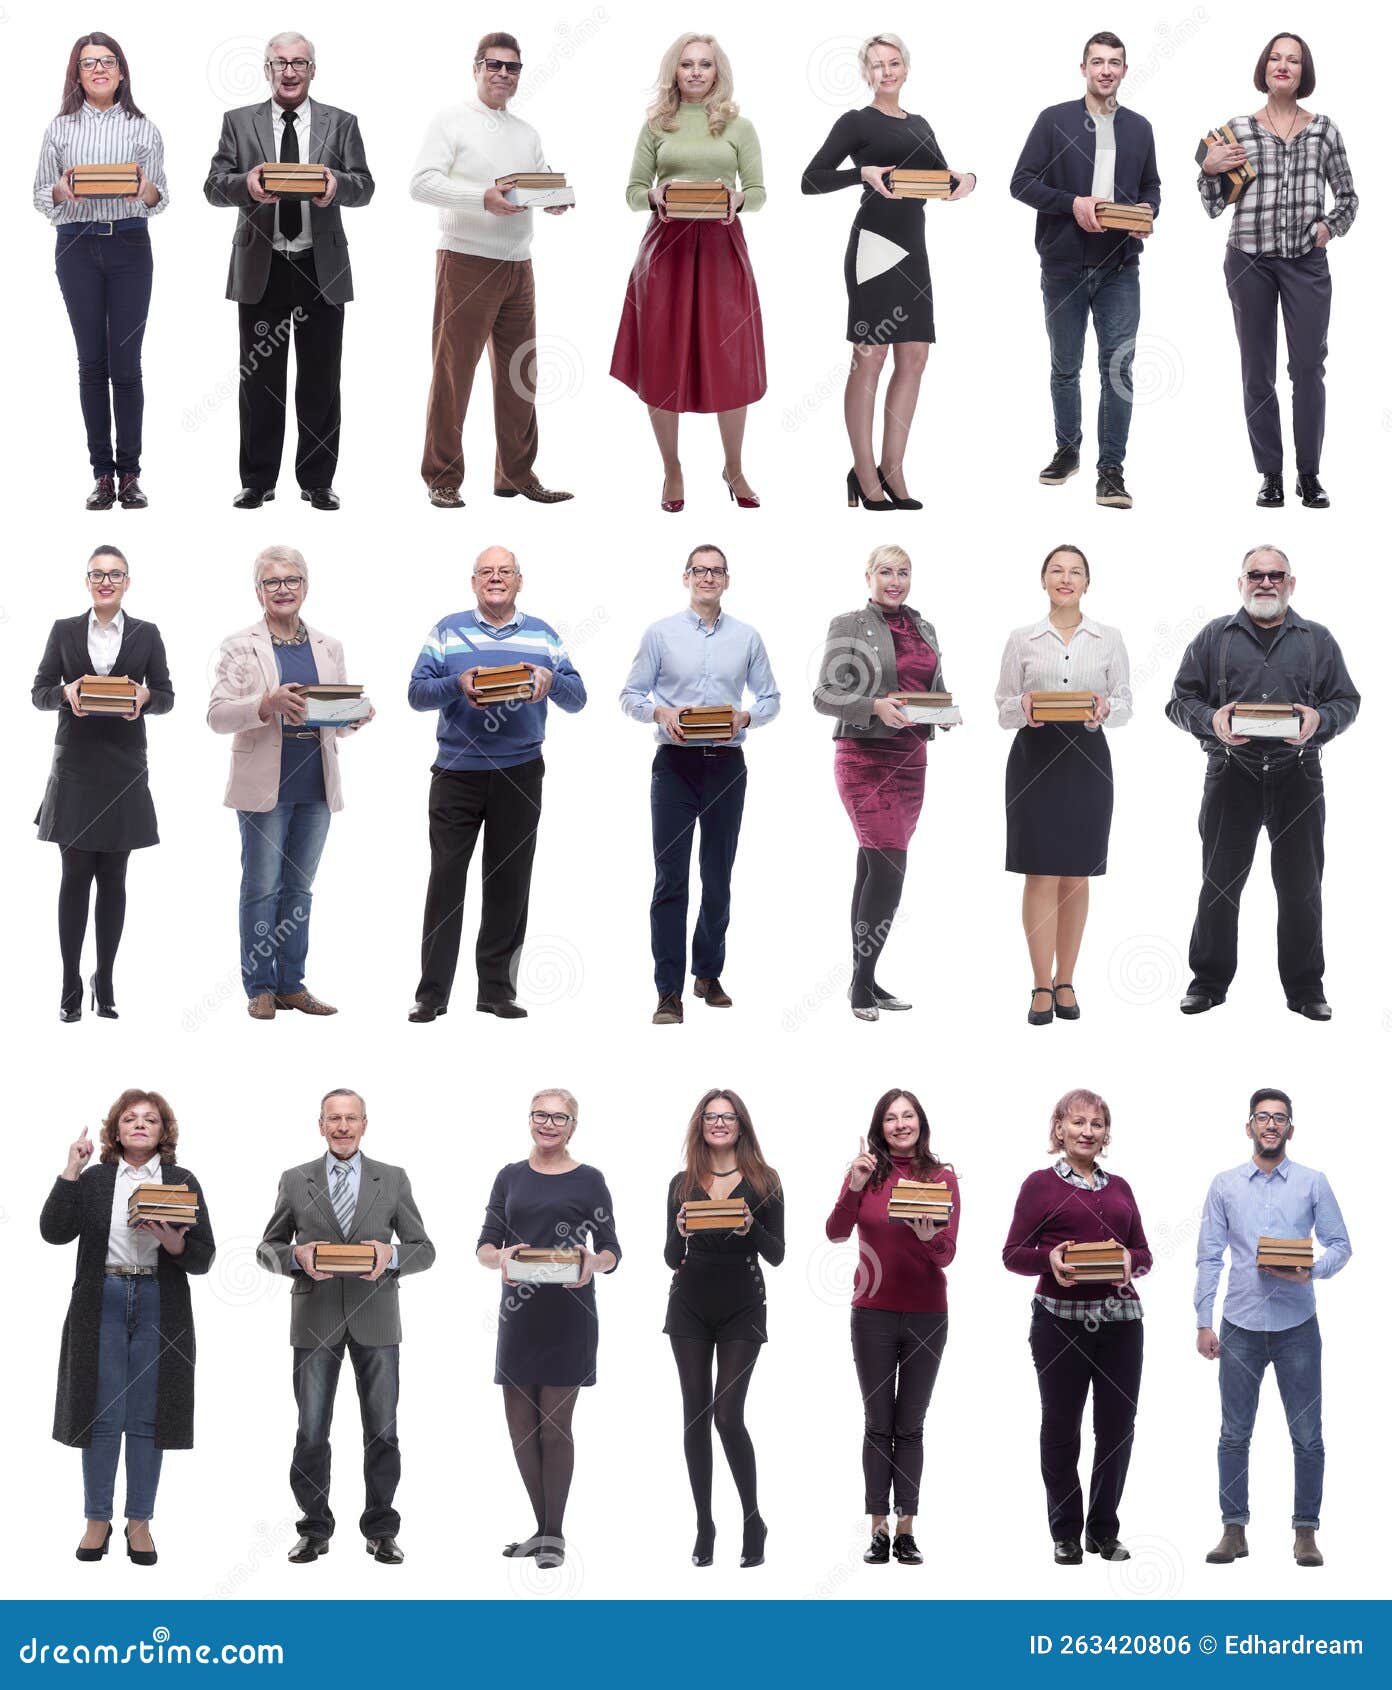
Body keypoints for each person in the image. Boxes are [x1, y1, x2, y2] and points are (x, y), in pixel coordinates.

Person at [1166, 546, 1359, 1019]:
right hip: (1232, 774)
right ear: (1241, 583)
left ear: (1292, 583)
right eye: (1256, 574)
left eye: (1276, 575)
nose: (1266, 582)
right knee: (1218, 886)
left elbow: (1347, 701)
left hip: (1299, 777)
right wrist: (1213, 720)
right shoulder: (1214, 636)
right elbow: (1178, 700)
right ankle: (1208, 983)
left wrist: (1321, 718)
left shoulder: (1318, 639)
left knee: (1301, 888)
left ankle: (1306, 990)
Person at [406, 547, 586, 1023]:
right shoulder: (446, 630)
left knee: (509, 884)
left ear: (519, 582)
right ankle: (432, 994)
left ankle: (496, 991)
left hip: (521, 772)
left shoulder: (543, 634)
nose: (495, 578)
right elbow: (416, 693)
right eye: (486, 571)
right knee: (446, 882)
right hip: (456, 773)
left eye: (504, 571)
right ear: (473, 583)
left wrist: (551, 678)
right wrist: (456, 682)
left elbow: (578, 698)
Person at [258, 1089, 436, 1566]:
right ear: (320, 1125)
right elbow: (266, 1248)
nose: (342, 1127)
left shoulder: (392, 1179)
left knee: (383, 1432)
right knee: (311, 1431)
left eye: (350, 1119)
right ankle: (314, 1528)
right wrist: (293, 1257)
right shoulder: (296, 1180)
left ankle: (381, 1528)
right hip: (314, 1320)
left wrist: (392, 1255)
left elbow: (424, 1248)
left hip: (377, 1320)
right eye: (333, 1119)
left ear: (364, 1124)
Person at [40, 1091, 215, 1566]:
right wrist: (71, 1169)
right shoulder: (96, 1179)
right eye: (130, 1119)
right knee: (101, 1413)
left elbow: (204, 1258)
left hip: (161, 1300)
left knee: (146, 1415)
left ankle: (140, 1522)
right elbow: (53, 1231)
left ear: (164, 1131)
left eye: (151, 1119)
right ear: (115, 1131)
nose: (140, 1124)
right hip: (104, 1301)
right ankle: (97, 1520)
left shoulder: (181, 1180)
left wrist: (175, 1245)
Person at [801, 35, 976, 509]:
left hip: (913, 249)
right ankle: (863, 472)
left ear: (906, 67)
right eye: (877, 65)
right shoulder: (857, 122)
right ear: (866, 73)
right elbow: (810, 180)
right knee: (870, 357)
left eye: (894, 63)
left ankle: (893, 471)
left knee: (915, 358)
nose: (887, 71)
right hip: (875, 246)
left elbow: (942, 177)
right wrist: (862, 173)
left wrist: (968, 181)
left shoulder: (920, 124)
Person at [204, 32, 375, 511]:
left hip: (321, 268)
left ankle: (317, 481)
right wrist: (248, 184)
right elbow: (214, 187)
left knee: (321, 379)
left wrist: (337, 185)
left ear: (313, 70)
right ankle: (257, 481)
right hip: (262, 266)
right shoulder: (238, 123)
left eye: (299, 62)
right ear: (267, 69)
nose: (290, 71)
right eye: (280, 62)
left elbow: (365, 186)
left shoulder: (341, 123)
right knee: (259, 382)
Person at [207, 545, 375, 1020]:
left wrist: (354, 717)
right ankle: (259, 986)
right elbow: (217, 715)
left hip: (315, 787)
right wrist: (267, 703)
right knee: (262, 888)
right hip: (265, 787)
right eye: (272, 582)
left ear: (305, 586)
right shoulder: (241, 646)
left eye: (291, 581)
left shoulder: (328, 646)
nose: (283, 590)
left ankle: (291, 984)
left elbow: (334, 720)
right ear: (258, 591)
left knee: (299, 890)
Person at [411, 31, 572, 508]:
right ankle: (442, 477)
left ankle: (516, 476)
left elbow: (537, 181)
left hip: (519, 266)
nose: (503, 73)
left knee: (521, 374)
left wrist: (554, 199)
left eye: (513, 67)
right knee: (454, 375)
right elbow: (421, 184)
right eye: (494, 65)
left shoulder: (527, 132)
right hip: (465, 260)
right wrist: (479, 196)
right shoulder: (451, 120)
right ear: (476, 67)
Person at [620, 546, 780, 1023]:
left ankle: (707, 973)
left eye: (717, 571)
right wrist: (659, 712)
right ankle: (668, 989)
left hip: (726, 767)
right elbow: (629, 695)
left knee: (717, 875)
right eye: (700, 570)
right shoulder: (660, 634)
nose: (708, 577)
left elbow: (771, 697)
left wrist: (747, 714)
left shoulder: (747, 636)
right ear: (685, 576)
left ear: (727, 580)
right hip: (675, 767)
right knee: (670, 878)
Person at [1198, 34, 1356, 510]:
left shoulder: (1324, 130)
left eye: (1293, 59)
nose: (1282, 65)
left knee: (1308, 368)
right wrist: (1208, 168)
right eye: (1275, 58)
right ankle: (1271, 475)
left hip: (1305, 263)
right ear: (1264, 69)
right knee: (1257, 371)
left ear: (1303, 72)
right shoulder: (1236, 131)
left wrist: (1327, 228)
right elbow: (1211, 206)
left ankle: (1309, 474)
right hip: (1248, 261)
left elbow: (1348, 198)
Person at [1194, 1089, 1351, 1567]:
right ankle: (1233, 1529)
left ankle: (1306, 1532)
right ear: (1249, 1127)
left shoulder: (1313, 1183)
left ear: (1290, 1129)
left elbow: (1341, 1245)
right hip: (1239, 1324)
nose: (1270, 1124)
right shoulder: (1224, 1185)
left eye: (1279, 1118)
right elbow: (1208, 1256)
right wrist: (1203, 1320)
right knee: (1233, 1433)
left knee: (1307, 1434)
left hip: (1297, 1325)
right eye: (1262, 1117)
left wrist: (1313, 1271)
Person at [611, 34, 766, 512]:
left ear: (718, 72)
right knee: (662, 358)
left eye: (705, 64)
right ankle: (672, 468)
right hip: (666, 253)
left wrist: (738, 199)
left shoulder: (739, 126)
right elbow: (634, 191)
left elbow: (758, 191)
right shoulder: (657, 124)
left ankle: (734, 467)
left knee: (730, 358)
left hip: (721, 250)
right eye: (686, 65)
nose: (696, 72)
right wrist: (657, 195)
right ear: (673, 71)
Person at [1010, 32, 1160, 510]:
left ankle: (1111, 471)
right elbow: (1020, 183)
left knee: (1118, 370)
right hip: (1064, 266)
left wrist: (1145, 213)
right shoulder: (1054, 121)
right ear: (1083, 69)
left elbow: (1152, 185)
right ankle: (1067, 450)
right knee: (1065, 367)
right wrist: (1071, 203)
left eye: (1114, 62)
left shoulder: (1139, 127)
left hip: (1120, 266)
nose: (1106, 70)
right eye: (1097, 62)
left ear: (1124, 70)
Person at [1002, 1089, 1150, 1566]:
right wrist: (1048, 1258)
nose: (1088, 1131)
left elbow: (1144, 1255)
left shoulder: (1121, 1187)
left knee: (1117, 1429)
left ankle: (1103, 1530)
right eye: (1078, 1122)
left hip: (1121, 1324)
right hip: (1058, 1324)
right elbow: (1012, 1255)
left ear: (1107, 1133)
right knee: (1062, 1427)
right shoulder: (1039, 1185)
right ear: (1059, 1128)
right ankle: (1065, 1531)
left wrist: (1132, 1260)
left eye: (1097, 1123)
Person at [476, 1091, 621, 1570]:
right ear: (529, 1120)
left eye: (560, 1117)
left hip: (569, 1313)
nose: (549, 1124)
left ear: (573, 1126)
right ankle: (541, 1531)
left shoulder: (590, 1179)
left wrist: (591, 1262)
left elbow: (611, 1250)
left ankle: (553, 1536)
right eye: (541, 1115)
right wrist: (501, 1259)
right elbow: (484, 1245)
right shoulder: (509, 1176)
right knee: (520, 1429)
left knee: (554, 1427)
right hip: (519, 1316)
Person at [32, 546, 172, 1022]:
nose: (106, 581)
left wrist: (147, 696)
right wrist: (64, 693)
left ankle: (105, 978)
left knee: (113, 879)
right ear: (87, 581)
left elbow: (167, 695)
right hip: (76, 766)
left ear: (127, 581)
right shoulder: (64, 631)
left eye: (115, 574)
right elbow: (39, 692)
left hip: (124, 766)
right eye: (98, 574)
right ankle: (70, 981)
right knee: (74, 879)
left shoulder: (147, 633)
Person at [813, 545, 952, 1020]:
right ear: (868, 576)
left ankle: (866, 979)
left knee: (873, 867)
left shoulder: (923, 626)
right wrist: (874, 705)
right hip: (865, 757)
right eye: (886, 572)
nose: (896, 581)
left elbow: (930, 688)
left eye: (904, 572)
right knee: (890, 869)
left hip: (912, 756)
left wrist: (942, 712)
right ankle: (858, 985)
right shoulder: (849, 624)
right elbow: (824, 694)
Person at [994, 545, 1131, 1025]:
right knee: (1040, 872)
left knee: (1076, 874)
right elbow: (1002, 705)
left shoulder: (1108, 637)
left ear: (1087, 583)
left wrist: (1107, 708)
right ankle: (1038, 983)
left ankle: (1066, 979)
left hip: (1088, 760)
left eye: (1075, 572)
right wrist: (1023, 704)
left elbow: (1127, 702)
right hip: (1035, 758)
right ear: (1043, 580)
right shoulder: (1022, 638)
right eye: (1057, 570)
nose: (1066, 578)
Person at [32, 33, 168, 510]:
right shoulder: (60, 128)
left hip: (130, 243)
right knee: (92, 364)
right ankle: (102, 476)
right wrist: (60, 194)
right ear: (77, 73)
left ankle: (130, 474)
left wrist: (146, 190)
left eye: (107, 61)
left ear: (122, 71)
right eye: (89, 63)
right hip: (76, 246)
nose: (99, 69)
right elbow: (38, 195)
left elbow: (160, 198)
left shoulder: (143, 128)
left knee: (126, 366)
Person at [825, 1089, 958, 1566]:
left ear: (921, 1122)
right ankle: (877, 1527)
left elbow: (947, 1255)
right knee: (878, 1424)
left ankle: (907, 1529)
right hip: (873, 1314)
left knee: (911, 1425)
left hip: (927, 1314)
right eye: (890, 1118)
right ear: (879, 1127)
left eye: (908, 1116)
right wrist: (854, 1184)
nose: (900, 1124)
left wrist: (928, 1240)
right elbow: (836, 1232)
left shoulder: (942, 1178)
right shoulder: (866, 1174)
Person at [665, 1089, 783, 1568]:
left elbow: (776, 1253)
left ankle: (753, 1519)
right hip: (689, 1304)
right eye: (711, 1117)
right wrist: (680, 1230)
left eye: (727, 1117)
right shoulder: (681, 1180)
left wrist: (749, 1227)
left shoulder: (765, 1179)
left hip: (742, 1304)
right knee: (695, 1414)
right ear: (700, 1124)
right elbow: (671, 1258)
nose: (719, 1124)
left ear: (741, 1124)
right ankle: (704, 1524)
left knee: (727, 1415)